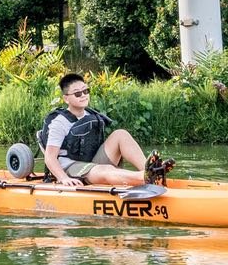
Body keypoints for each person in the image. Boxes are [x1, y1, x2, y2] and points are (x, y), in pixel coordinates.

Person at [42, 73, 174, 187]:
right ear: (66, 98)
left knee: (120, 134)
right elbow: (50, 157)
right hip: (71, 167)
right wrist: (63, 178)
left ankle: (150, 169)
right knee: (105, 170)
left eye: (86, 91)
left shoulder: (90, 115)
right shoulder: (59, 123)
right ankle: (145, 177)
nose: (83, 96)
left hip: (91, 161)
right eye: (77, 93)